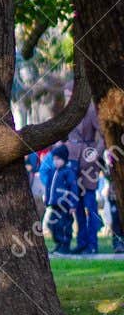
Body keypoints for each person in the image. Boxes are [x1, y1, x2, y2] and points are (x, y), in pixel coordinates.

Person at [67, 105, 104, 254]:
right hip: (72, 161)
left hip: (88, 163)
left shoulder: (91, 111)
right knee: (77, 205)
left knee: (90, 205)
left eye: (69, 93)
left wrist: (96, 153)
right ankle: (81, 242)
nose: (68, 96)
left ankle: (92, 244)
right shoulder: (69, 111)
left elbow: (103, 135)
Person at [42, 143, 80, 253]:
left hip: (65, 205)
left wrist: (72, 204)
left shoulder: (68, 172)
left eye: (58, 159)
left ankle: (65, 245)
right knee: (52, 224)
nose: (55, 161)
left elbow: (73, 189)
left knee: (64, 225)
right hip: (54, 204)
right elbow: (48, 187)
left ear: (64, 159)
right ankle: (58, 243)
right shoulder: (52, 172)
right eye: (54, 159)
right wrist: (47, 200)